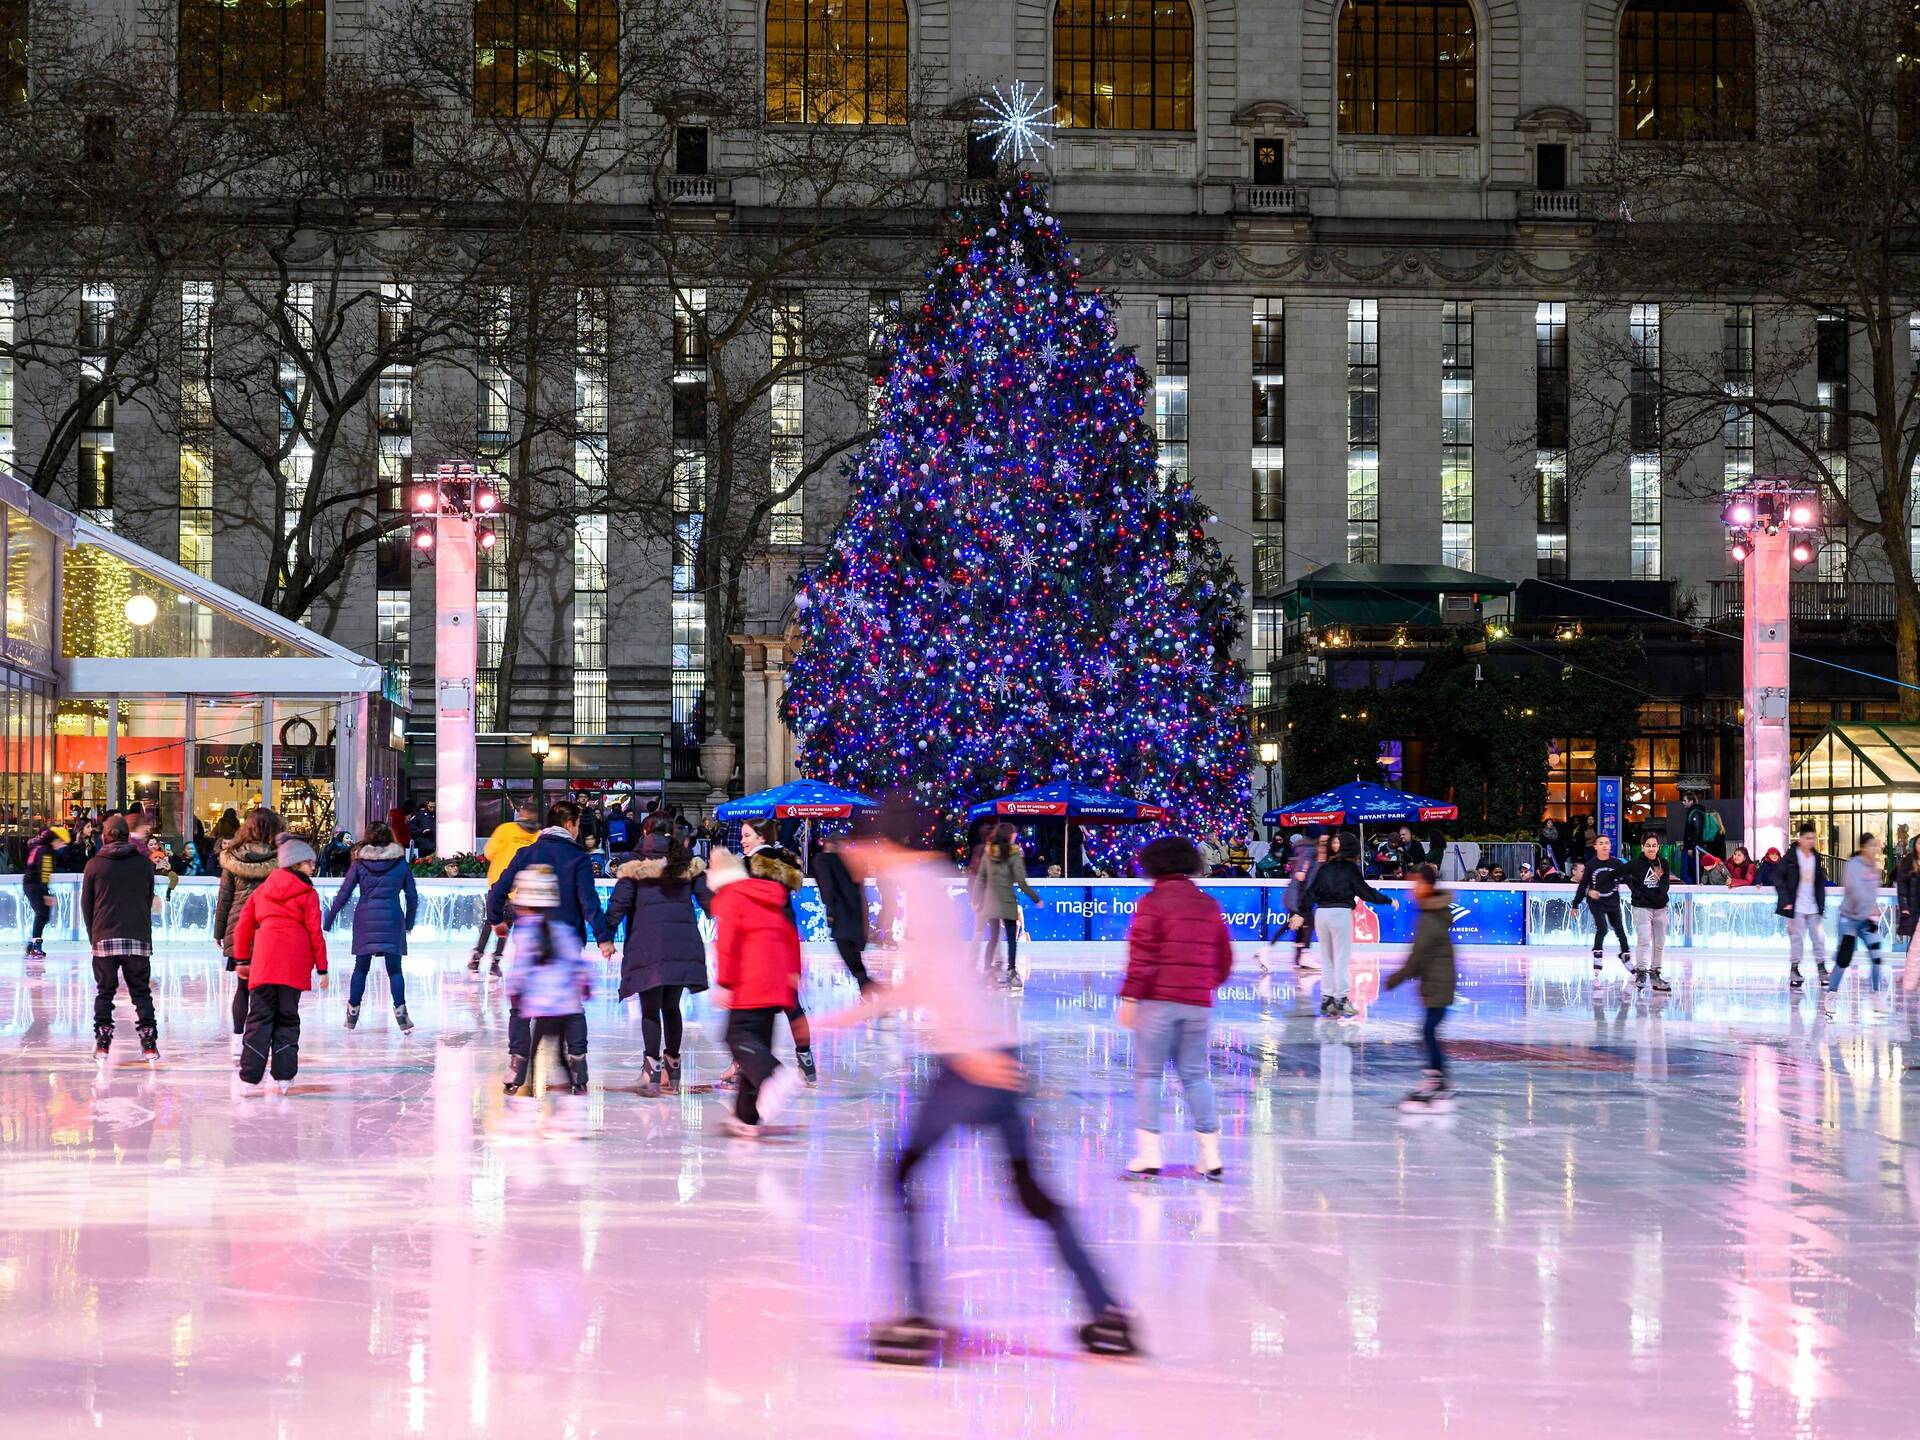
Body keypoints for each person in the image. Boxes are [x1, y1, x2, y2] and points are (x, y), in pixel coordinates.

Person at [812, 803, 1137, 1364]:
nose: (848, 854)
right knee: (1030, 1193)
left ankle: (916, 1320)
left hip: (971, 1062)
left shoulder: (915, 885)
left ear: (879, 843)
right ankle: (1108, 1312)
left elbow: (942, 977)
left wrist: (972, 1052)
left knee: (904, 1176)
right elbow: (930, 980)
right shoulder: (921, 881)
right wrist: (842, 1019)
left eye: (854, 844)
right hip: (985, 1052)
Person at [1119, 835, 1233, 1181]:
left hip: (1157, 1003)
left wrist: (1129, 998)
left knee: (1149, 1075)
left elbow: (1142, 957)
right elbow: (1224, 959)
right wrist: (1203, 984)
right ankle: (1210, 1155)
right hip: (1197, 1003)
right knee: (1196, 1076)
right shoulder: (1208, 904)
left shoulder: (1151, 903)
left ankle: (1149, 1153)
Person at [486, 801, 617, 1093]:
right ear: (568, 823)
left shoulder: (527, 853)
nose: (579, 830)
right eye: (578, 824)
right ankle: (577, 1064)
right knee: (570, 1005)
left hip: (531, 940)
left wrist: (496, 920)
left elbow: (498, 888)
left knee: (521, 1005)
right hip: (567, 940)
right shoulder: (578, 858)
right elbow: (588, 900)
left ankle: (517, 1063)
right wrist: (603, 937)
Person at [707, 847, 805, 1136]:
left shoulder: (729, 898)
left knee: (737, 1036)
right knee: (757, 1040)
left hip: (751, 978)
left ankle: (774, 1073)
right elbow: (790, 935)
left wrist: (724, 982)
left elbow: (728, 943)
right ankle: (747, 1117)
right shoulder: (763, 893)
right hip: (775, 978)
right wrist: (792, 974)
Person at [606, 836, 710, 1096]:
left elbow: (619, 904)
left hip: (648, 945)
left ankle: (651, 1071)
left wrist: (604, 934)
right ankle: (672, 1068)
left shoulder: (635, 868)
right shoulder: (688, 867)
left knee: (651, 1009)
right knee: (671, 1006)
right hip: (680, 945)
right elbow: (711, 903)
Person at [233, 834, 329, 1094]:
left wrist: (242, 959)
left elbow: (243, 926)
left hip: (264, 963)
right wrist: (322, 967)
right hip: (293, 966)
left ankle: (250, 1076)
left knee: (259, 1018)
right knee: (287, 1018)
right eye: (309, 863)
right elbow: (314, 933)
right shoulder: (308, 893)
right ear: (297, 864)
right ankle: (284, 1077)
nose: (313, 868)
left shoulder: (263, 890)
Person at [502, 864, 594, 1119]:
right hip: (565, 1005)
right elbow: (576, 961)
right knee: (561, 1054)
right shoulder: (563, 929)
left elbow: (521, 967)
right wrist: (585, 984)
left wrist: (516, 989)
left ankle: (529, 1095)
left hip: (543, 1006)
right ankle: (576, 1085)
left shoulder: (526, 933)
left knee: (536, 1054)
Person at [738, 816, 817, 1083]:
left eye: (747, 836)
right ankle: (806, 1060)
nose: (742, 840)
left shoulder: (748, 866)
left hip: (760, 943)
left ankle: (745, 1064)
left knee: (751, 1007)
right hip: (785, 940)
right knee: (791, 1003)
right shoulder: (783, 863)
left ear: (761, 838)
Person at [323, 821, 420, 1032]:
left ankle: (352, 1014)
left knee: (361, 967)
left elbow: (345, 892)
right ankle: (402, 1015)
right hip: (392, 918)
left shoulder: (359, 863)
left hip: (366, 918)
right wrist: (409, 922)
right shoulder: (400, 863)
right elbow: (412, 895)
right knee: (395, 970)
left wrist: (329, 918)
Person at [82, 815, 159, 1065]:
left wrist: (93, 935)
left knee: (105, 992)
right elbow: (148, 899)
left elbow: (87, 905)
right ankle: (149, 1044)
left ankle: (103, 1042)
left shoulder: (94, 865)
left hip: (104, 938)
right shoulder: (145, 864)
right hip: (137, 939)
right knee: (141, 993)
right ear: (127, 835)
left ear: (105, 835)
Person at [1384, 864, 1457, 1112]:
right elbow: (1423, 957)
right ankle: (1440, 1079)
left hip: (1439, 983)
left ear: (1427, 886)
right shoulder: (1433, 912)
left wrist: (1396, 978)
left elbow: (1417, 957)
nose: (1411, 891)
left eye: (1415, 885)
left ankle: (1437, 1080)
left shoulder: (1429, 917)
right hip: (1438, 981)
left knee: (1427, 1032)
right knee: (1428, 1031)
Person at [1302, 830, 1394, 1020]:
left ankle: (1327, 1001)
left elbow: (1310, 892)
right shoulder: (1350, 869)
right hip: (1340, 914)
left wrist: (1299, 912)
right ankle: (1342, 1000)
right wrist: (1387, 900)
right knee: (1342, 959)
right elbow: (1365, 892)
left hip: (1322, 914)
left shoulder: (1324, 868)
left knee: (1327, 959)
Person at [214, 808, 284, 1057]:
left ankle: (237, 1041)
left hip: (239, 927)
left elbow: (225, 898)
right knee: (270, 989)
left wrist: (219, 931)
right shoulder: (283, 858)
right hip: (272, 930)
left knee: (243, 987)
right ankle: (265, 1041)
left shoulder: (232, 858)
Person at [971, 822, 1043, 990]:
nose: (1016, 835)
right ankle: (1011, 971)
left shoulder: (988, 852)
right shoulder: (1014, 853)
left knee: (994, 937)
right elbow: (1021, 881)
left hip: (991, 900)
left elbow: (981, 878)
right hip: (1007, 900)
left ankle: (988, 971)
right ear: (1008, 836)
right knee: (1011, 939)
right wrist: (1035, 898)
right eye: (1014, 833)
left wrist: (976, 899)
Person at [473, 796, 540, 975]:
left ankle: (477, 957)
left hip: (498, 882)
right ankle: (496, 960)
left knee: (491, 920)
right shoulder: (538, 835)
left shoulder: (505, 829)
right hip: (521, 887)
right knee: (507, 923)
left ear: (522, 812)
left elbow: (488, 852)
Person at [1825, 832, 1889, 1019]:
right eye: (1871, 846)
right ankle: (1831, 995)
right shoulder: (1853, 865)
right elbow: (1854, 890)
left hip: (1865, 919)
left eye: (1876, 846)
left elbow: (1872, 892)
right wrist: (1868, 908)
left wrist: (1874, 908)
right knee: (1844, 957)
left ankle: (1877, 996)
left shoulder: (1875, 867)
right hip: (1849, 919)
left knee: (1877, 955)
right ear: (1863, 848)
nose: (1875, 849)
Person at [811, 832, 876, 995]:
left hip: (842, 917)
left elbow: (827, 887)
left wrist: (830, 912)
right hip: (855, 917)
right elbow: (859, 890)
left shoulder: (823, 860)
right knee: (856, 964)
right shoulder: (849, 861)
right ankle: (872, 994)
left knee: (854, 964)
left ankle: (877, 992)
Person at [1773, 822, 1829, 990]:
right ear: (1800, 838)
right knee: (1797, 940)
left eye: (1813, 838)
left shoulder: (1816, 857)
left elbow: (1819, 882)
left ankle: (1822, 969)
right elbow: (1777, 877)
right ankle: (1794, 970)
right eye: (1808, 838)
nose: (1811, 841)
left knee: (1818, 939)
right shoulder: (1790, 857)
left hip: (1813, 906)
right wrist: (1786, 900)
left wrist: (1821, 904)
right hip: (1796, 906)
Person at [1571, 832, 1633, 977]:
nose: (1604, 845)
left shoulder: (1617, 864)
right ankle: (1597, 954)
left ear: (1610, 846)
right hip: (1596, 902)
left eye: (1607, 843)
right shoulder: (1591, 865)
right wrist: (1575, 904)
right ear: (1595, 847)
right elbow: (1583, 885)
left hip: (1613, 900)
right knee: (1602, 928)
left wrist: (1638, 895)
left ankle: (1625, 956)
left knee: (1620, 930)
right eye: (1601, 843)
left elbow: (1629, 880)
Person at [1624, 832, 1675, 993]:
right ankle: (1641, 972)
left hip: (1660, 907)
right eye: (1648, 845)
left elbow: (1666, 883)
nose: (1651, 848)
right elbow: (1625, 875)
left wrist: (1659, 893)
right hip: (1642, 907)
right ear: (1643, 847)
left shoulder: (1663, 863)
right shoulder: (1636, 864)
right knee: (1644, 940)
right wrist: (1636, 892)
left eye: (1654, 845)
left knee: (1659, 942)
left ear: (1658, 847)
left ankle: (1655, 973)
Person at [21, 823, 59, 958]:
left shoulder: (41, 848)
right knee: (42, 914)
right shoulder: (46, 852)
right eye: (59, 841)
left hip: (32, 884)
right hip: (34, 885)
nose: (60, 845)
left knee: (43, 914)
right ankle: (35, 946)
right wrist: (45, 894)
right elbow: (43, 873)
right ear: (53, 841)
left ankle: (32, 944)